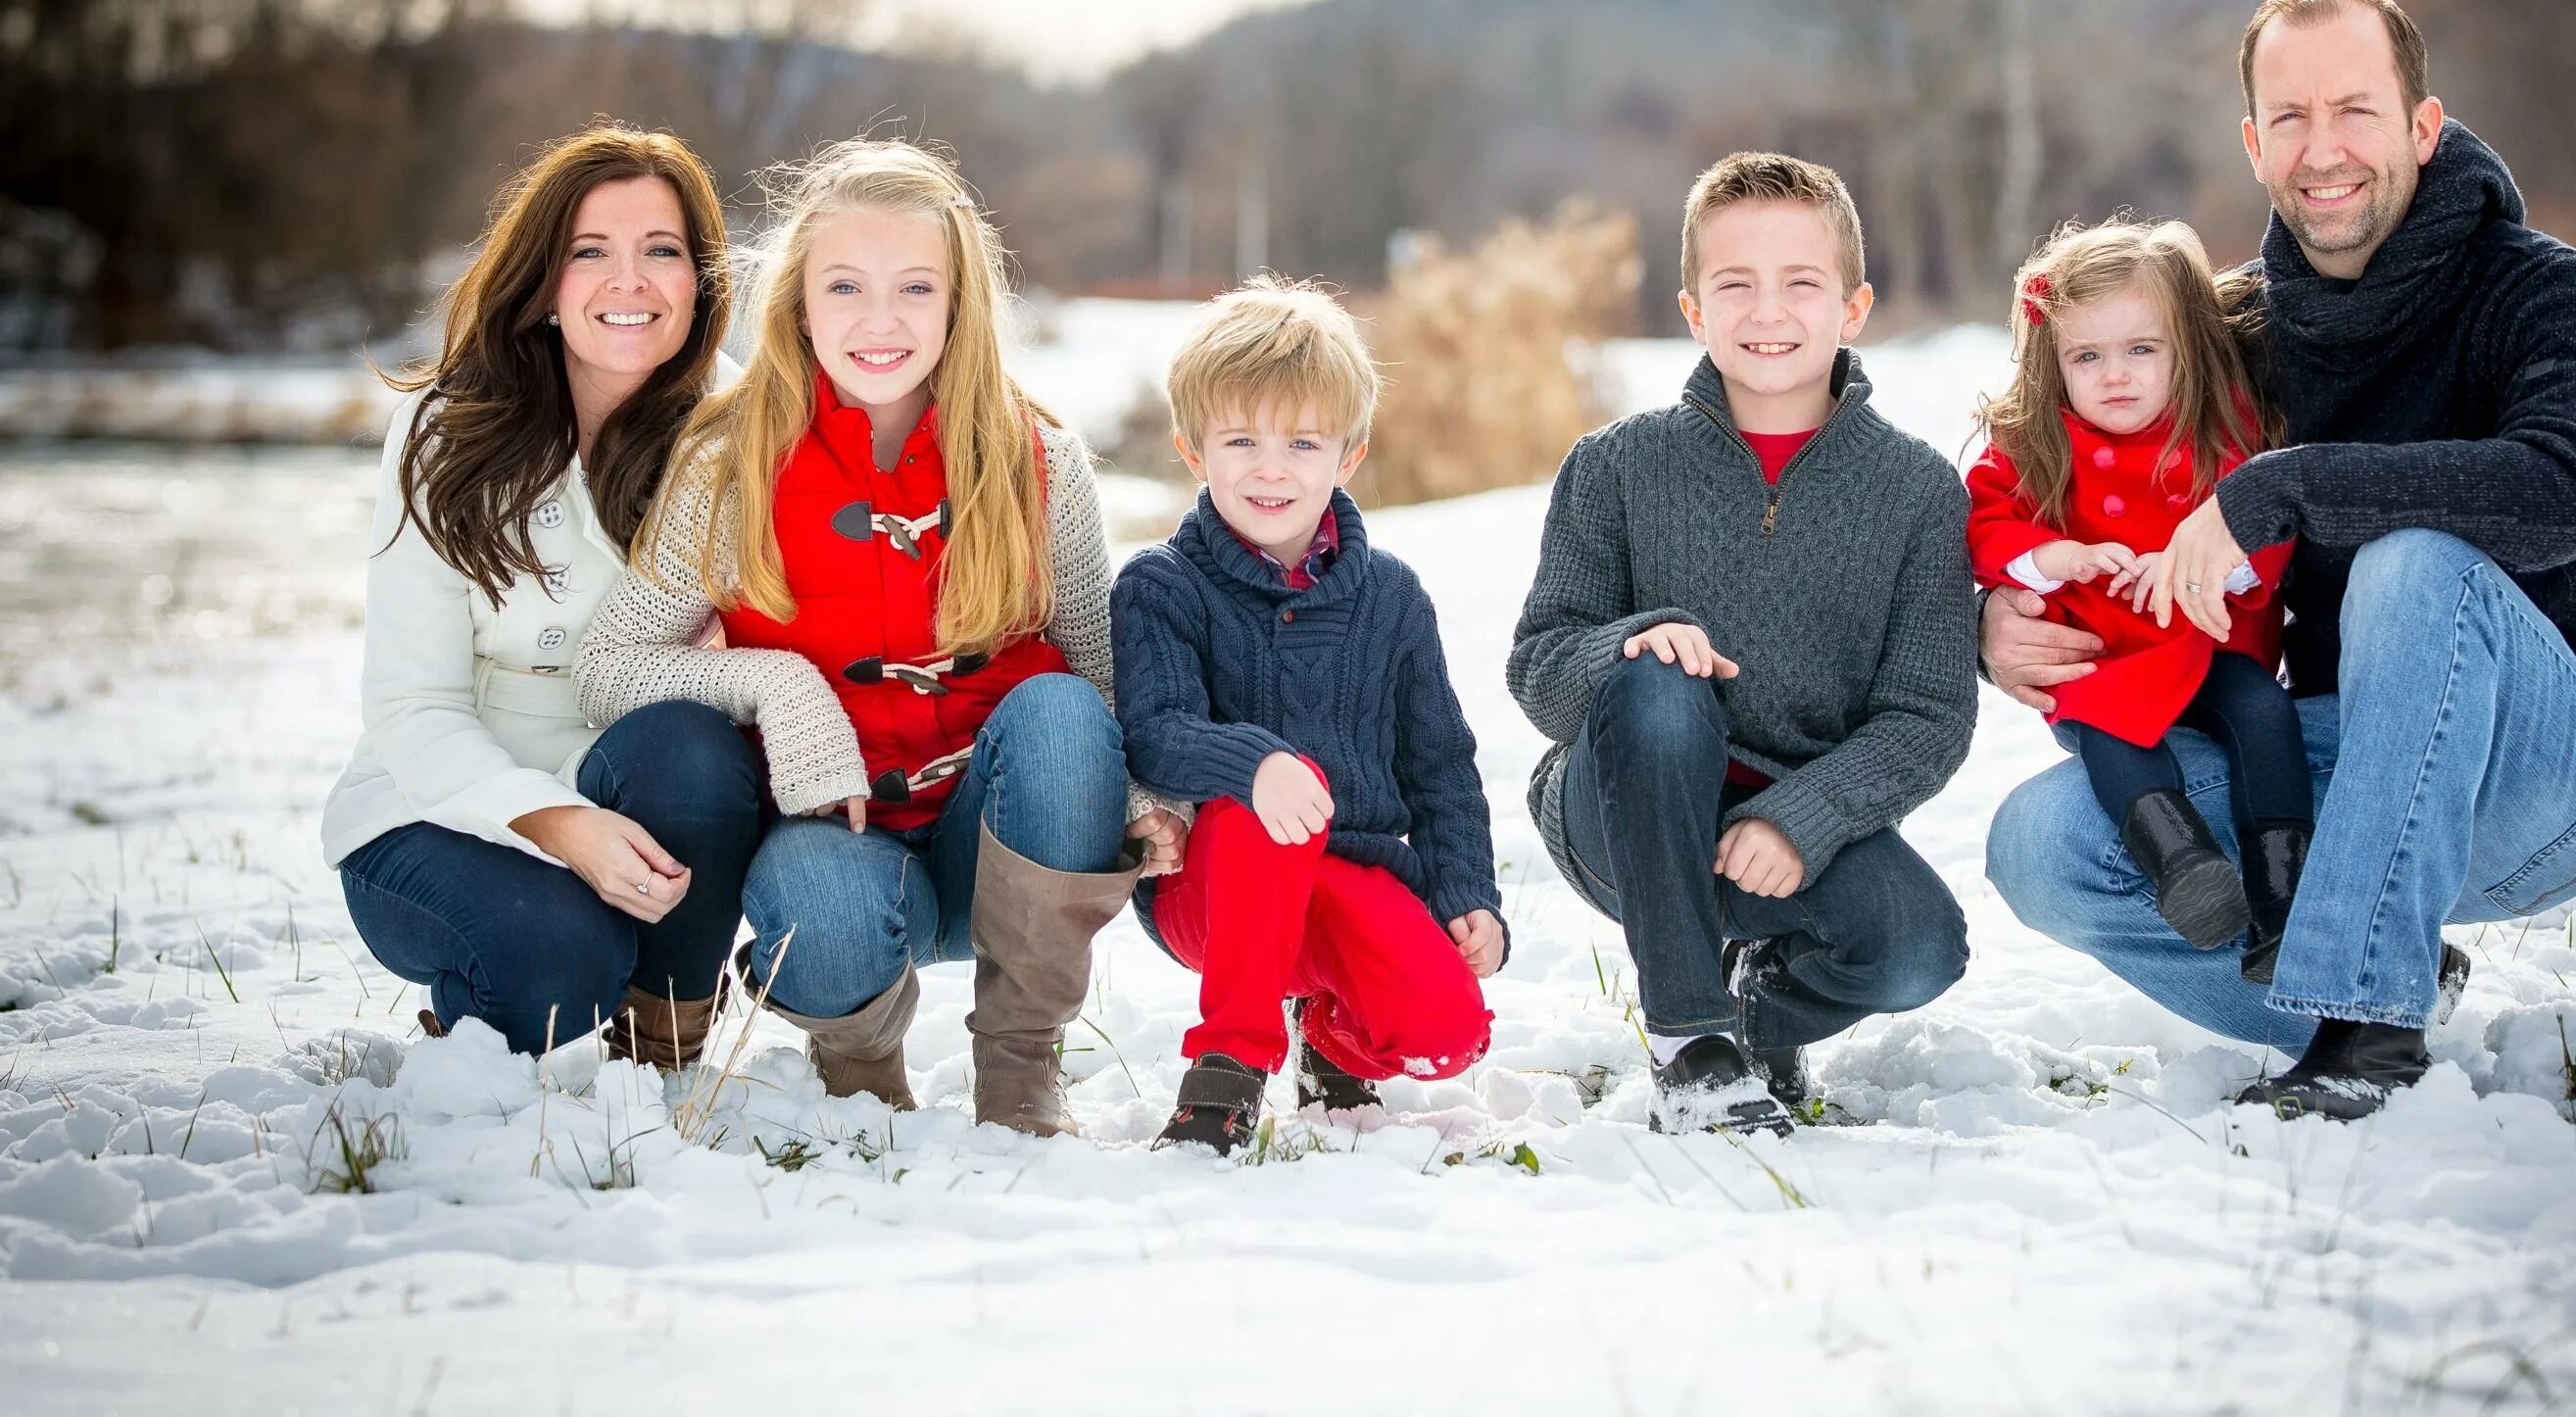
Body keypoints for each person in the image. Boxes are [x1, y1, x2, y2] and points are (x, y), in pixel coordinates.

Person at [1982, 0, 2576, 1120]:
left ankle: (2366, 1024)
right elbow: (2067, 472)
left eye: (2357, 111)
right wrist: (1998, 616)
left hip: (2557, 771)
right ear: (2254, 144)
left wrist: (2283, 487)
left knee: (2413, 561)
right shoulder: (2237, 332)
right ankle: (2381, 984)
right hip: (2351, 765)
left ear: (2423, 126)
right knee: (2044, 841)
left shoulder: (2546, 291)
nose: (2324, 150)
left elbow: (2561, 494)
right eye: (2291, 117)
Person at [576, 139, 1186, 1133]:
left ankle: (1022, 1065)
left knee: (1067, 712)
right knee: (809, 886)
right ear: (799, 301)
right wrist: (776, 685)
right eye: (846, 285)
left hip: (1002, 835)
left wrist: (1142, 791)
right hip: (841, 847)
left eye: (914, 286)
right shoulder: (730, 463)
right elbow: (607, 666)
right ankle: (859, 1061)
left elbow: (1101, 670)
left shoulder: (1041, 457)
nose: (880, 318)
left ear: (959, 301)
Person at [1507, 151, 1976, 1136]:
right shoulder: (1615, 466)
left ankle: (1751, 1015)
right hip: (1624, 813)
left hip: (1794, 834)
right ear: (1693, 309)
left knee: (1918, 947)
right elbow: (1542, 663)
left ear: (1853, 306)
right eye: (1737, 284)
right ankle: (1690, 1043)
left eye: (1801, 283)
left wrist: (1802, 816)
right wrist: (1635, 641)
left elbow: (1926, 715)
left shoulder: (1920, 490)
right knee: (1660, 673)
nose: (1769, 311)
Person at [326, 125, 762, 1067]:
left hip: (644, 773)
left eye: (662, 251)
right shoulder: (449, 431)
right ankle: (512, 1002)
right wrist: (559, 824)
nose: (629, 282)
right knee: (561, 962)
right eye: (590, 253)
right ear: (545, 281)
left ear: (702, 279)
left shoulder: (741, 433)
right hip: (440, 805)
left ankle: (666, 1019)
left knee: (692, 741)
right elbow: (413, 707)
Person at [1114, 279, 1503, 1153]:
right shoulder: (1161, 586)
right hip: (1216, 889)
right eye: (1241, 440)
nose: (1271, 467)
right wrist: (1253, 765)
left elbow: (1440, 766)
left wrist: (1467, 895)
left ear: (1349, 455)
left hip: (1345, 876)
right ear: (1191, 448)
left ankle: (1327, 1036)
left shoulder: (1392, 599)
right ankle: (1228, 1068)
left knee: (1449, 1035)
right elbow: (1153, 729)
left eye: (1302, 441)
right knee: (1278, 797)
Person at [1966, 219, 2306, 979]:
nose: (2115, 376)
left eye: (2141, 351)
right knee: (2108, 733)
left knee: (2263, 711)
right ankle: (2181, 864)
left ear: (2183, 349)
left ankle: (2285, 897)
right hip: (2105, 657)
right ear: (2055, 363)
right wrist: (2055, 556)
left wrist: (2219, 564)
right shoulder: (2035, 441)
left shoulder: (2225, 429)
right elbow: (1986, 522)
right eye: (2087, 356)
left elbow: (2273, 519)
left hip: (2211, 645)